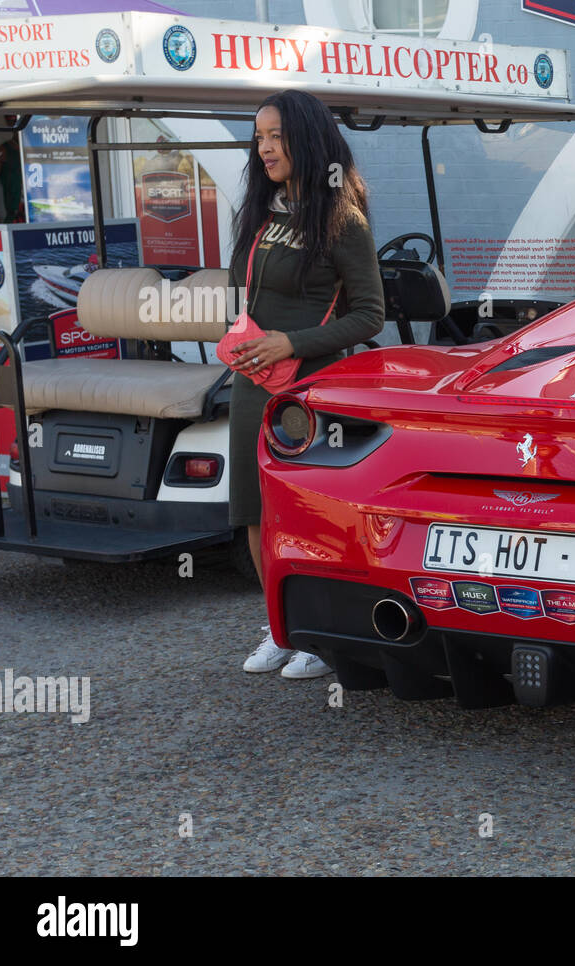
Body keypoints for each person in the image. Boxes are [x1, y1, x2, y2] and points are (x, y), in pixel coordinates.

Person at [229, 90, 384, 678]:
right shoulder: (264, 210)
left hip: (312, 387)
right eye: (259, 137)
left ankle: (320, 636)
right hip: (254, 379)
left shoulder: (343, 216)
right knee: (255, 511)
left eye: (276, 136)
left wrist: (290, 343)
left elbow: (369, 315)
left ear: (306, 139)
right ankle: (278, 625)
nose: (264, 148)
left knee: (307, 514)